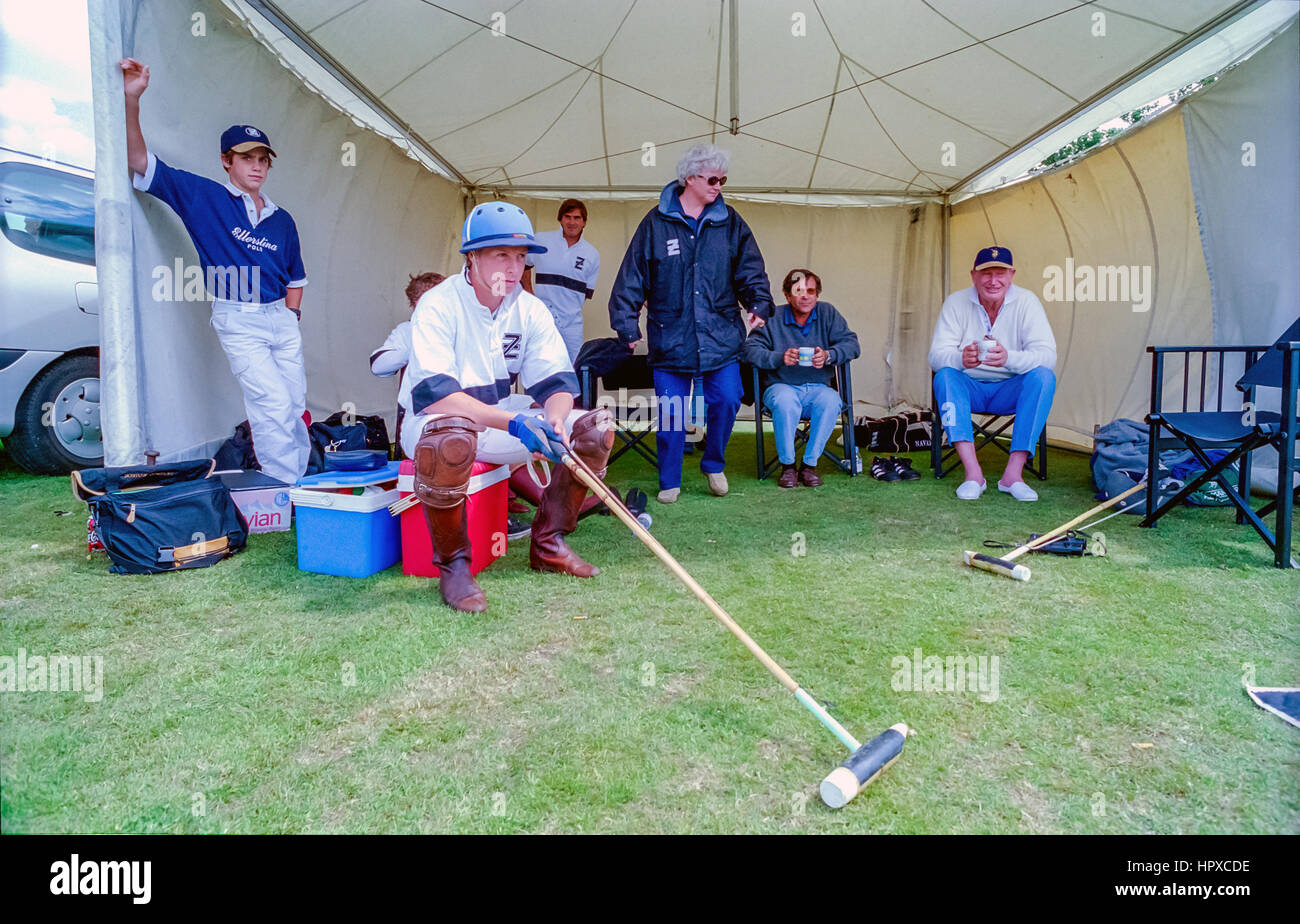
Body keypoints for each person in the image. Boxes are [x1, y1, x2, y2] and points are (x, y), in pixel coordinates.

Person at [398, 202, 613, 613]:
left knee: (593, 428)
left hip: (497, 420)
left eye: (519, 257)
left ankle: (549, 544)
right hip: (431, 424)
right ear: (471, 256)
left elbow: (557, 383)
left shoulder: (529, 308)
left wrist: (554, 415)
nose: (513, 268)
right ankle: (455, 567)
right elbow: (439, 397)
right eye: (500, 255)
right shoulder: (438, 304)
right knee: (452, 438)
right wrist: (516, 424)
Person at [120, 58, 309, 486]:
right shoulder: (203, 195)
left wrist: (290, 317)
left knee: (294, 405)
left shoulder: (283, 219)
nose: (256, 165)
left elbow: (296, 278)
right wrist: (132, 99)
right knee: (272, 403)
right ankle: (286, 489)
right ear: (227, 161)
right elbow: (137, 160)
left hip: (281, 319)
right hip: (238, 317)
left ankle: (299, 479)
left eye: (263, 158)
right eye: (246, 158)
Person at [608, 143, 774, 504]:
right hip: (672, 337)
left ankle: (713, 463)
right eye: (712, 178)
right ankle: (670, 479)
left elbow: (750, 270)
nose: (719, 186)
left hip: (721, 335)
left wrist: (759, 303)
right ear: (690, 178)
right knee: (671, 412)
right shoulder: (655, 223)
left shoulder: (731, 222)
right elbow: (632, 276)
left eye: (723, 179)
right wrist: (627, 324)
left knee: (729, 399)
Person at [928, 246, 1057, 501]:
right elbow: (935, 356)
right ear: (973, 275)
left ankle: (1013, 476)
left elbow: (1048, 356)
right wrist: (960, 358)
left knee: (1043, 378)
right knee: (944, 376)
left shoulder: (1027, 301)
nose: (993, 281)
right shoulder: (956, 301)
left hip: (1009, 390)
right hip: (970, 387)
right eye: (986, 273)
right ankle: (973, 475)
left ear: (1012, 275)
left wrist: (1010, 358)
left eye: (1000, 273)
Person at [743, 269, 860, 487]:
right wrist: (780, 358)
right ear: (787, 295)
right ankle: (788, 466)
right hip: (780, 386)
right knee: (786, 402)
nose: (805, 296)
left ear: (817, 294)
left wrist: (829, 355)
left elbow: (851, 344)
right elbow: (750, 350)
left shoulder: (828, 313)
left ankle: (809, 465)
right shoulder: (772, 316)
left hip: (817, 387)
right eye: (798, 291)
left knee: (832, 400)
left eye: (811, 291)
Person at [370, 271, 445, 451]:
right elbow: (379, 366)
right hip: (417, 416)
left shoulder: (462, 328)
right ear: (417, 303)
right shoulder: (407, 331)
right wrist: (419, 342)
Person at [522, 199, 599, 363]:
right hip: (541, 319)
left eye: (577, 218)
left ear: (584, 222)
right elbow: (523, 266)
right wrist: (529, 293)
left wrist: (566, 308)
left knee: (571, 370)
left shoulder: (592, 254)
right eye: (567, 217)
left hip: (572, 325)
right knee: (538, 365)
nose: (572, 222)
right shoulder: (541, 240)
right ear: (560, 219)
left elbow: (585, 294)